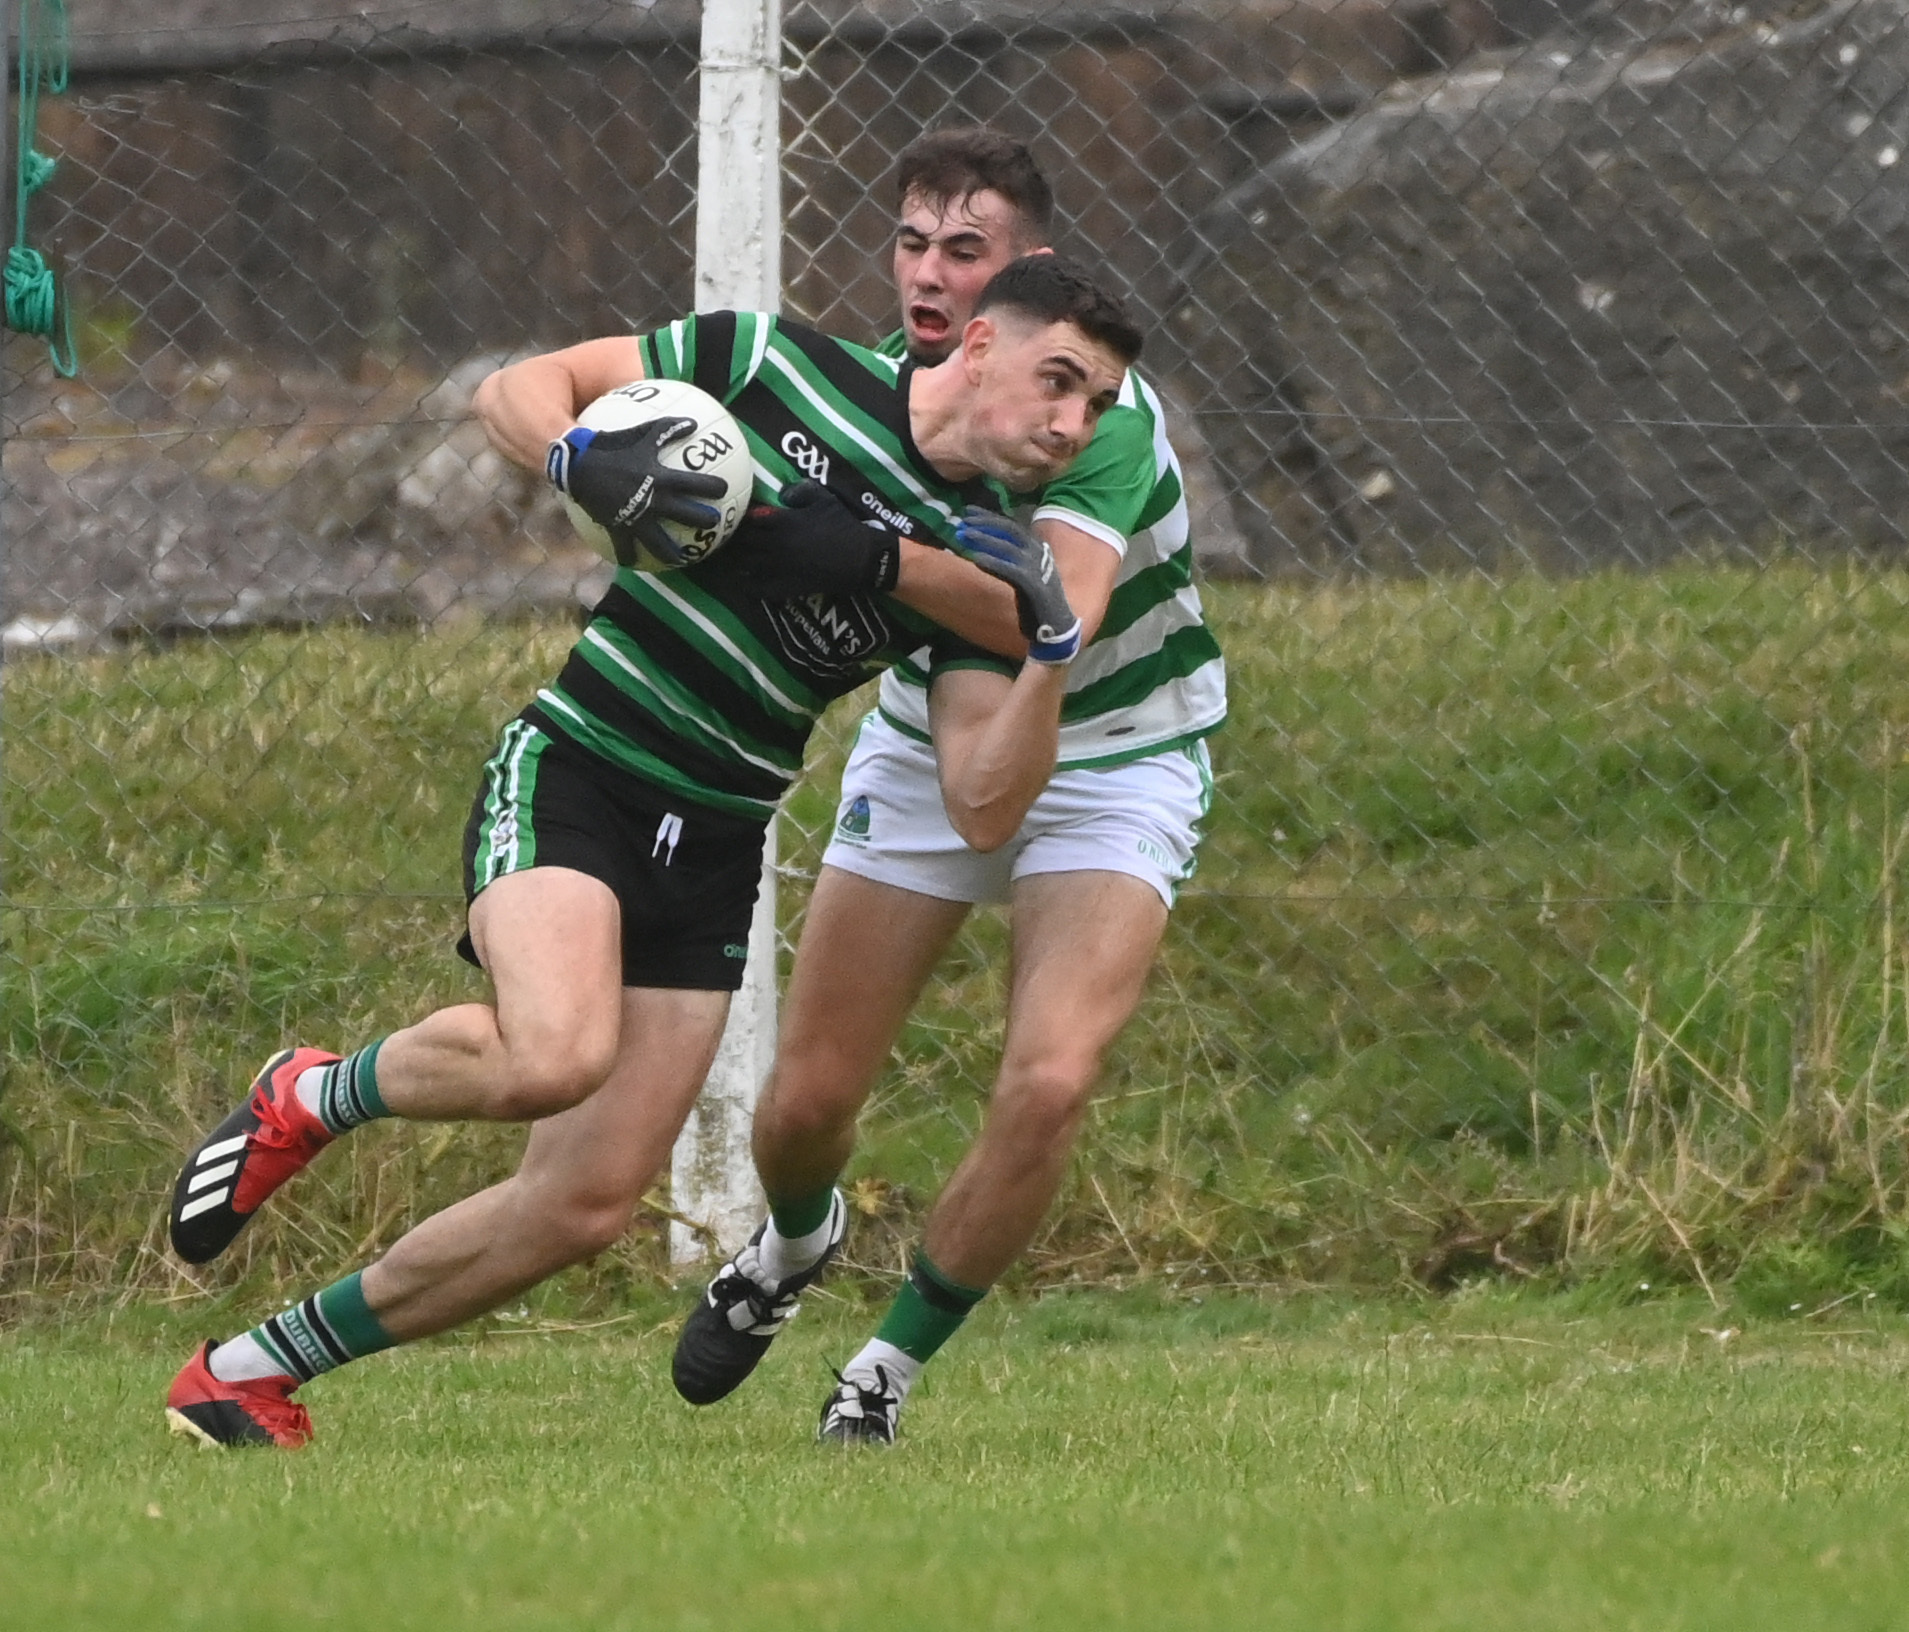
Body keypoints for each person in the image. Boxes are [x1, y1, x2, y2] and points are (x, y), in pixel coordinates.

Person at [161, 253, 1142, 1448]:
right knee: (552, 1053)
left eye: (1093, 406)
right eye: (1059, 381)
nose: (1072, 424)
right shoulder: (773, 365)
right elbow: (523, 389)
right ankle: (312, 1092)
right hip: (586, 768)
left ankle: (244, 1375)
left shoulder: (974, 557)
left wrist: (1046, 647)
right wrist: (581, 458)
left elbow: (985, 805)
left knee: (579, 1203)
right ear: (977, 346)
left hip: (718, 836)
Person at [670, 129, 1227, 1445]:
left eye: (963, 250)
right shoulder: (879, 405)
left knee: (1047, 1081)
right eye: (911, 243)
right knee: (802, 1108)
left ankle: (883, 1374)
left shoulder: (1101, 423)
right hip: (928, 746)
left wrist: (871, 563)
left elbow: (1050, 635)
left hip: (1117, 756)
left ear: (1027, 271)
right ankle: (796, 1246)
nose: (927, 275)